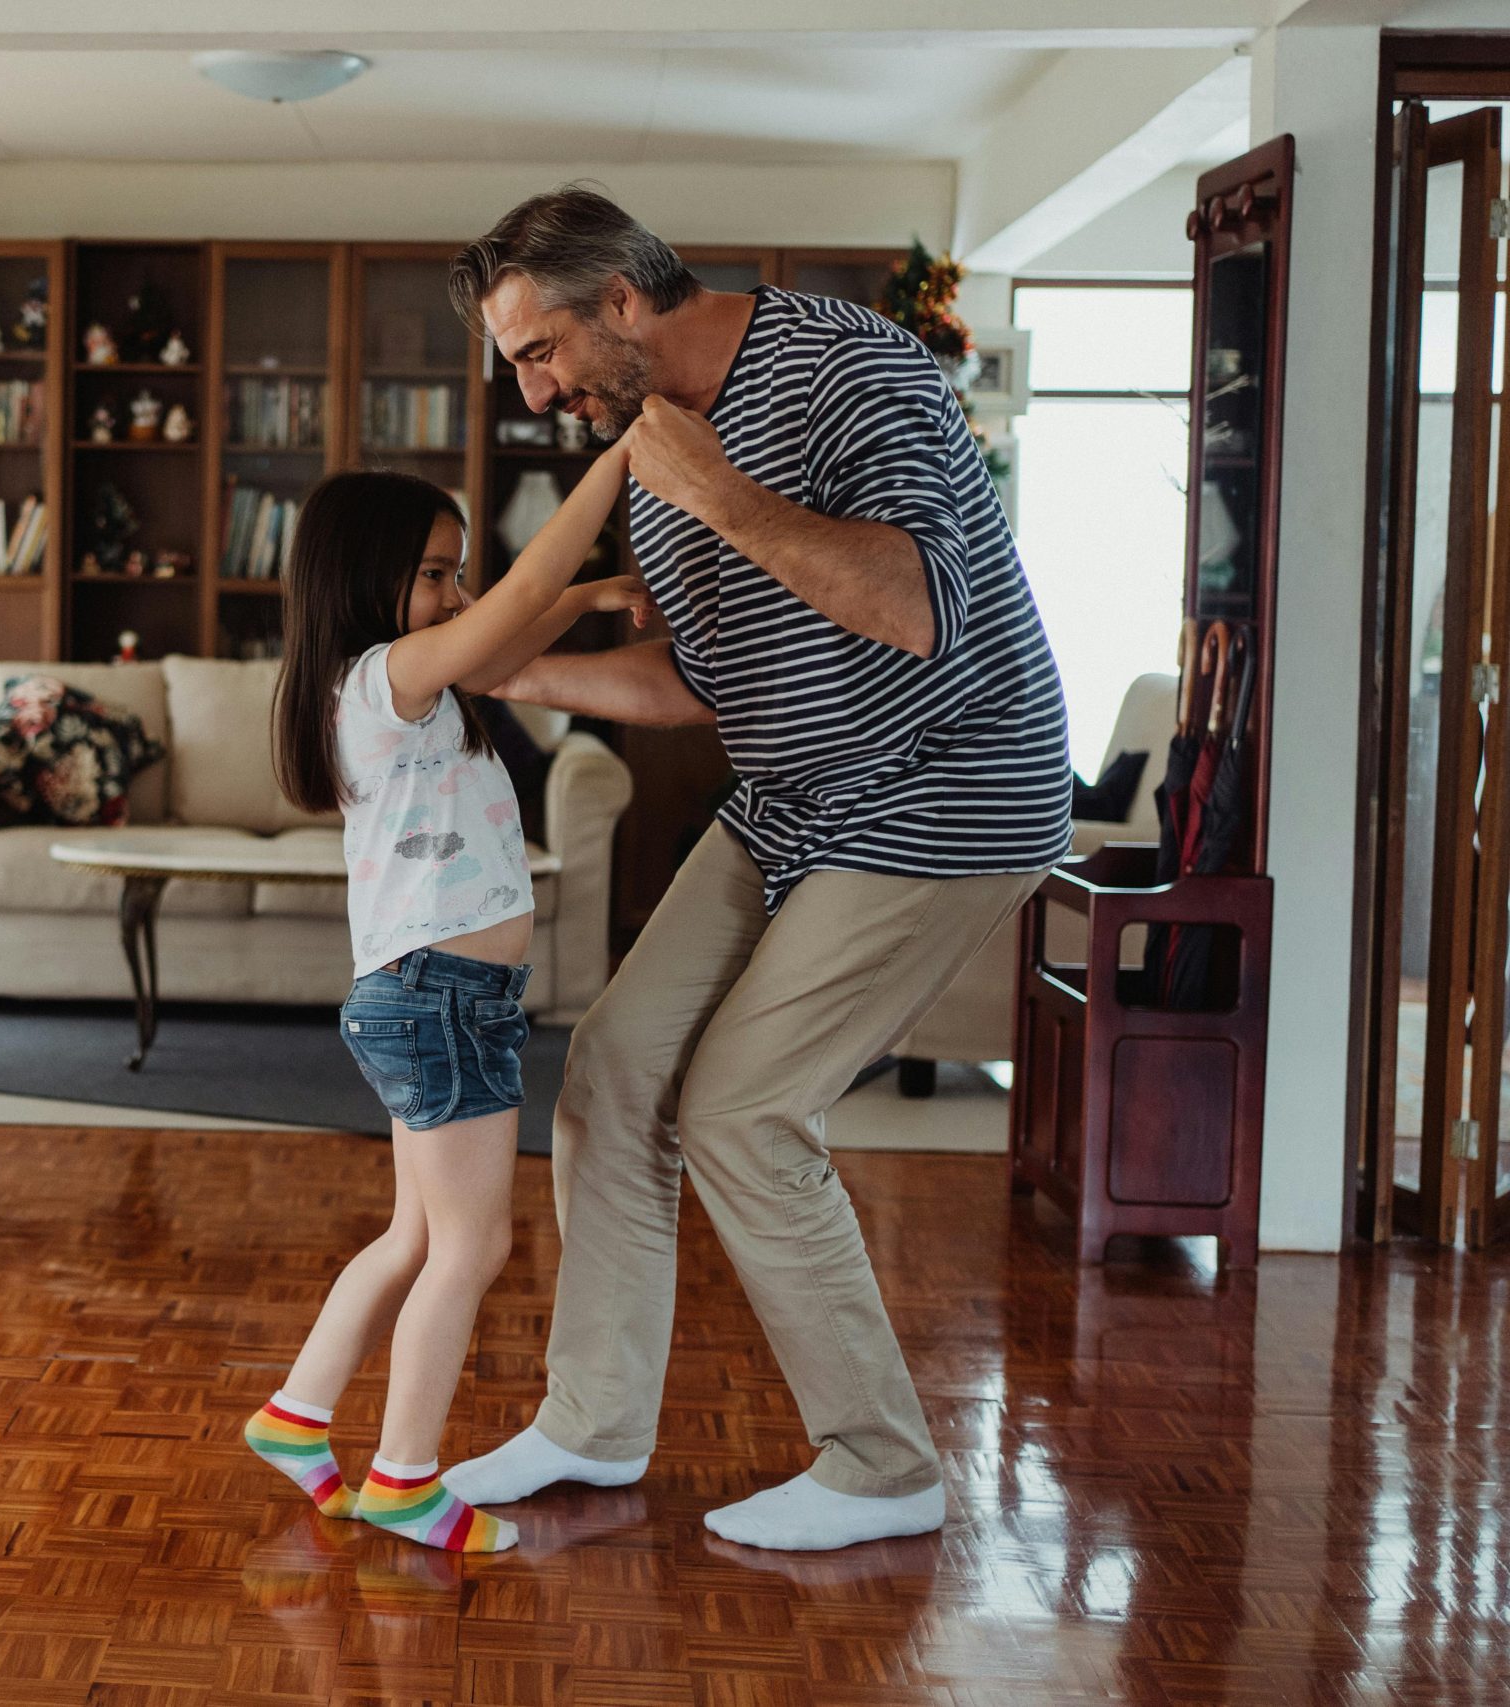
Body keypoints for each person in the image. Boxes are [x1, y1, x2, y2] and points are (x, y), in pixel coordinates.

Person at [435, 185, 1070, 1552]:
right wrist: (501, 672)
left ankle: (885, 1458)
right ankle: (593, 1423)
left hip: (949, 787)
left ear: (619, 300)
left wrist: (716, 489)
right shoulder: (642, 451)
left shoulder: (847, 363)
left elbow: (912, 604)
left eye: (539, 351)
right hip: (796, 793)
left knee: (739, 1106)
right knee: (609, 1069)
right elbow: (707, 679)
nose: (536, 392)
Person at [244, 461, 652, 1552]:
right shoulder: (386, 676)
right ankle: (406, 1479)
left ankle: (298, 1416)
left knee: (416, 1234)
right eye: (433, 574)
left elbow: (510, 627)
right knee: (471, 1250)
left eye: (458, 572)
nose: (456, 594)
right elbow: (505, 621)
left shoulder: (385, 679)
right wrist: (613, 469)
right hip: (442, 999)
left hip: (419, 997)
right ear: (365, 579)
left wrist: (590, 598)